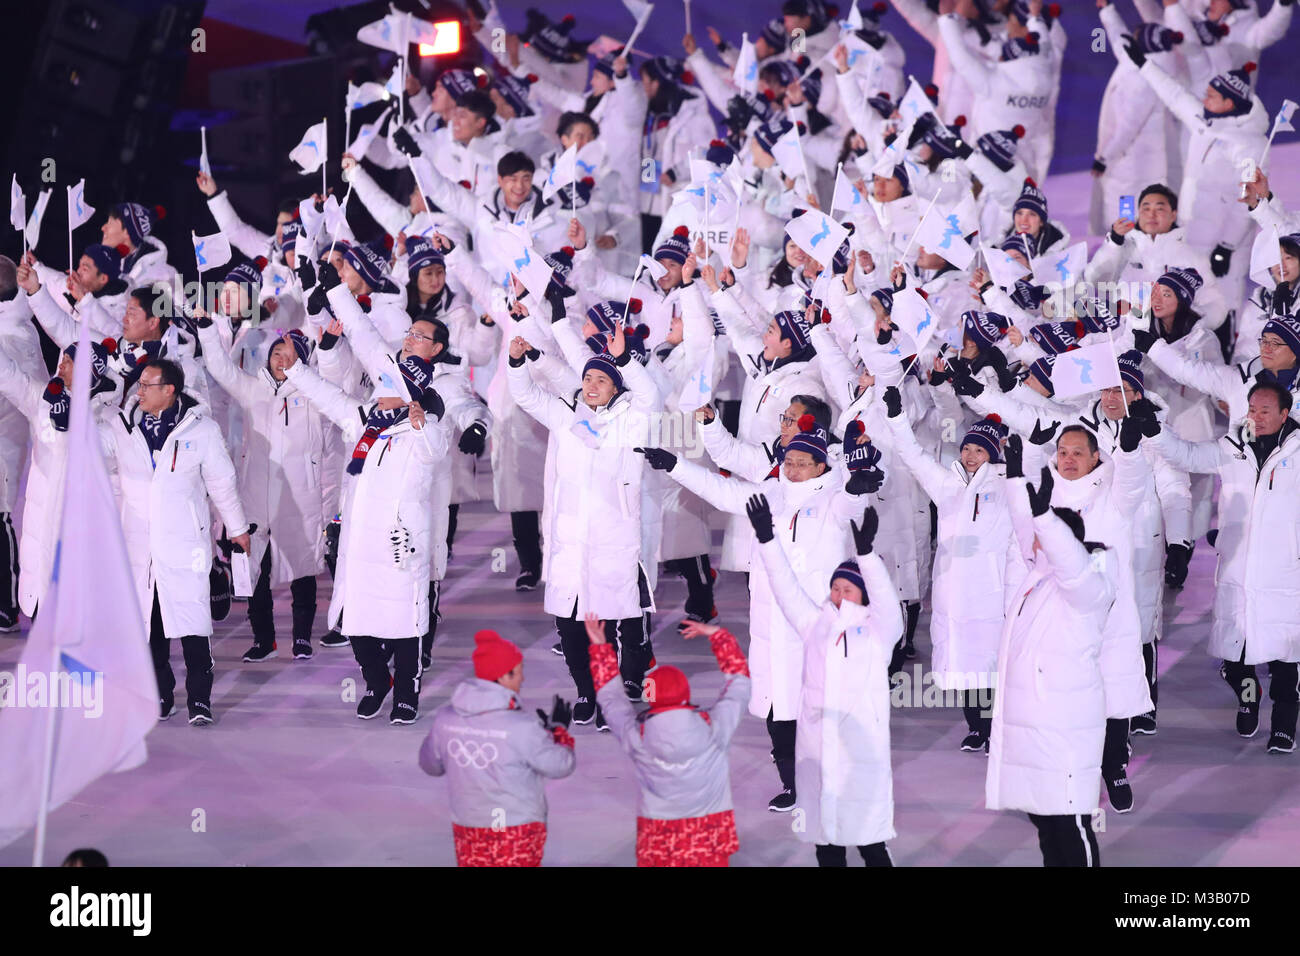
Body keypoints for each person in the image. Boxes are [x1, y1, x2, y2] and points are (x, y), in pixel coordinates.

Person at [283, 348, 449, 724]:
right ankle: (377, 682)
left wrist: (421, 423)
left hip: (398, 547)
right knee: (357, 621)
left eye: (391, 383)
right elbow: (330, 398)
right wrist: (295, 369)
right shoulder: (366, 422)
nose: (381, 387)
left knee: (405, 624)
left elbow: (434, 451)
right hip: (360, 544)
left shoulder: (426, 429)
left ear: (410, 391)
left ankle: (406, 694)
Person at [507, 326, 658, 728]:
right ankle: (586, 694)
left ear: (615, 389)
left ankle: (610, 697)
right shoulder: (566, 416)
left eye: (602, 380)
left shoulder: (631, 422)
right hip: (570, 541)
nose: (592, 385)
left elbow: (650, 396)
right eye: (588, 378)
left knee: (603, 628)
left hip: (612, 540)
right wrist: (516, 363)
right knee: (571, 630)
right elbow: (525, 396)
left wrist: (624, 358)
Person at [1145, 382, 1300, 752]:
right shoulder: (1232, 448)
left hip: (1284, 572)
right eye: (1252, 409)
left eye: (1265, 411)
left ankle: (1283, 727)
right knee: (1237, 654)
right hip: (1238, 568)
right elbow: (1187, 456)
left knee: (1285, 657)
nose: (1257, 417)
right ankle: (1248, 699)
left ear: (1284, 414)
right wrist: (1154, 432)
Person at [750, 494, 903, 866]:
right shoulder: (814, 623)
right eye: (835, 587)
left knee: (869, 842)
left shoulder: (878, 633)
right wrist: (768, 541)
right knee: (826, 844)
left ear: (862, 595)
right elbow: (785, 587)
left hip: (859, 757)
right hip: (817, 753)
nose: (838, 595)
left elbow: (885, 600)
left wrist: (866, 557)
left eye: (847, 589)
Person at [98, 359, 250, 725]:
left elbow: (222, 483)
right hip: (139, 548)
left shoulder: (201, 430)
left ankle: (200, 700)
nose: (139, 391)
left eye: (147, 385)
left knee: (193, 625)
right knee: (149, 630)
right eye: (139, 384)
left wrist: (237, 528)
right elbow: (95, 453)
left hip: (186, 545)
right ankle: (161, 696)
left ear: (169, 389)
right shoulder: (121, 425)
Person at [878, 387, 1025, 751]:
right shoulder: (947, 484)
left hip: (991, 594)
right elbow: (912, 454)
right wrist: (896, 418)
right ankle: (976, 728)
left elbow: (1018, 543)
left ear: (993, 454)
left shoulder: (1009, 486)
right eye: (967, 448)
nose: (971, 455)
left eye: (979, 450)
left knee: (991, 665)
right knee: (961, 663)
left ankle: (997, 730)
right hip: (953, 593)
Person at [986, 466, 1116, 867]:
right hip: (1034, 726)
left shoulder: (1090, 583)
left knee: (1070, 822)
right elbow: (1024, 532)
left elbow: (1072, 566)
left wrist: (1046, 518)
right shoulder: (1037, 578)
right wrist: (1014, 481)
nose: (1037, 542)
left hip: (1064, 728)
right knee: (1045, 820)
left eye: (1046, 537)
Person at [196, 319, 326, 662]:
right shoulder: (253, 388)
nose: (281, 358)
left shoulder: (314, 397)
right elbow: (221, 369)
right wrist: (208, 331)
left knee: (303, 567)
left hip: (299, 497)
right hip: (255, 496)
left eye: (291, 354)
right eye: (277, 352)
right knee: (255, 568)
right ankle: (263, 640)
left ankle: (302, 638)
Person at [585, 612, 751, 867]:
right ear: (685, 692)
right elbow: (739, 683)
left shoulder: (638, 736)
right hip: (710, 835)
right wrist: (718, 636)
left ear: (651, 698)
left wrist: (599, 648)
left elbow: (611, 701)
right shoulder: (714, 728)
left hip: (659, 838)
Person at [419, 629, 577, 866]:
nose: (522, 679)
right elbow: (560, 765)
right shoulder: (521, 725)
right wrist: (558, 733)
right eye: (519, 673)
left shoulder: (446, 719)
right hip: (517, 831)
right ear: (504, 676)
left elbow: (430, 764)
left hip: (469, 828)